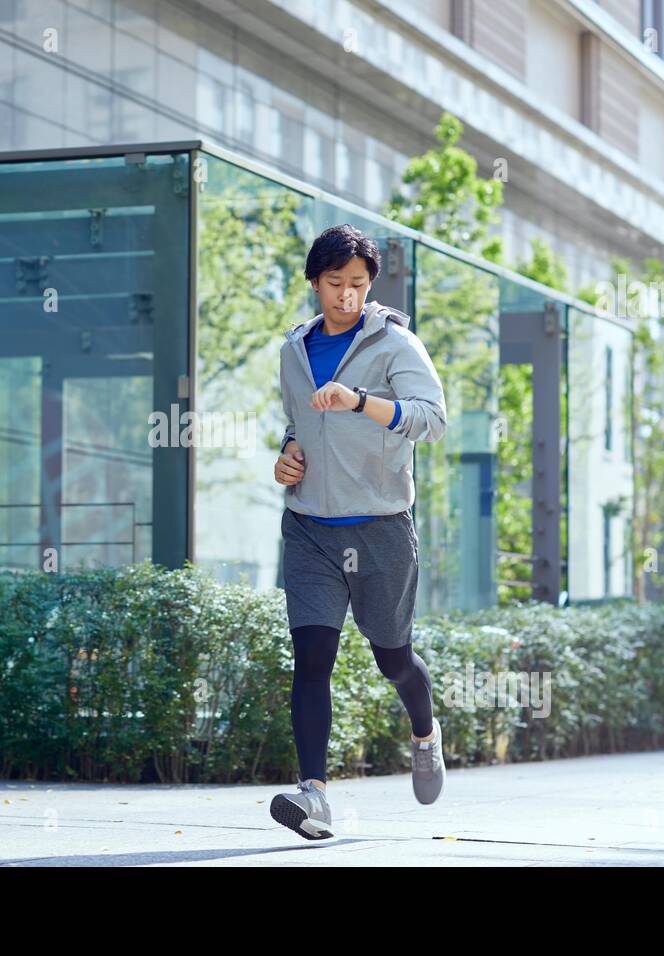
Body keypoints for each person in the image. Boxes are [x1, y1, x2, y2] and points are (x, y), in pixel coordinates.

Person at [268, 224, 448, 841]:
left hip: (380, 527)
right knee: (312, 657)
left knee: (391, 657)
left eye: (359, 285)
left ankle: (425, 734)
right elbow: (298, 424)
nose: (347, 296)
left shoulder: (396, 344)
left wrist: (360, 400)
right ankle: (314, 798)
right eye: (336, 283)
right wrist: (287, 456)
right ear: (315, 282)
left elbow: (432, 420)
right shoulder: (293, 350)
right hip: (310, 526)